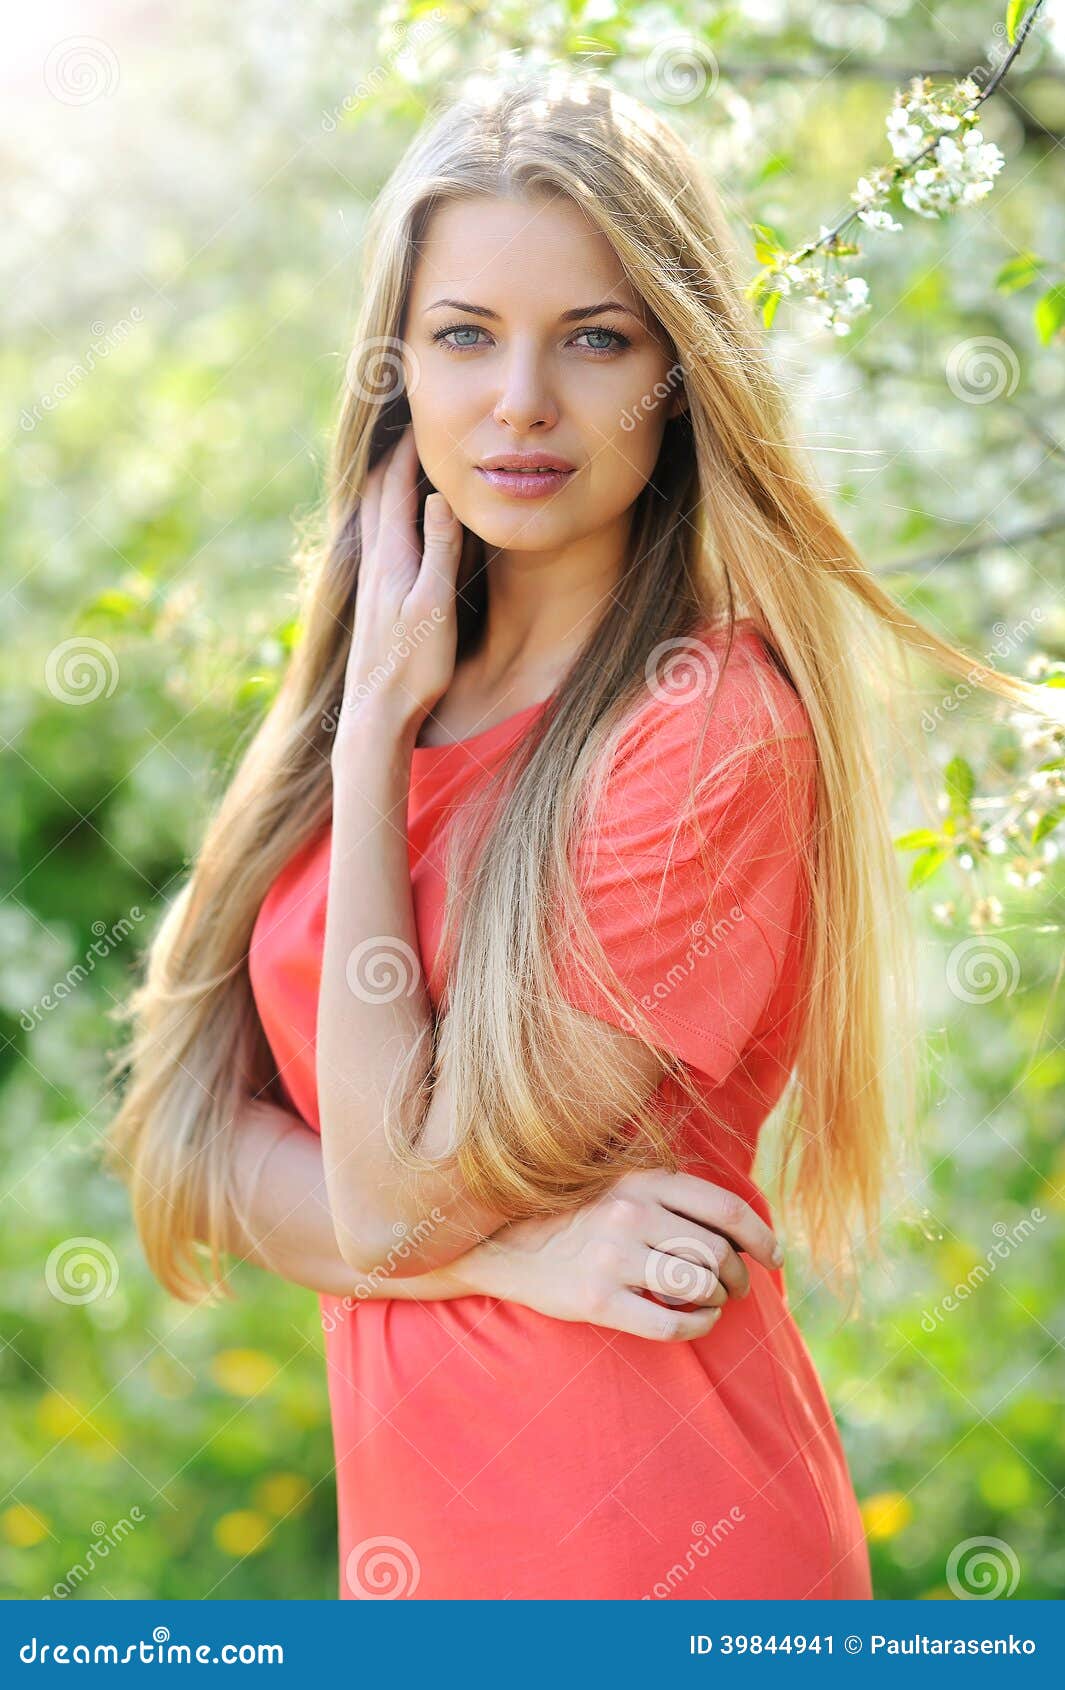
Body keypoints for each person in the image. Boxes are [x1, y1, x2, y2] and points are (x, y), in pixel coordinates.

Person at [105, 69, 1055, 1601]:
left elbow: (387, 1200)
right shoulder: (377, 696)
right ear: (395, 367)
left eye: (594, 339)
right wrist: (507, 1248)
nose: (520, 402)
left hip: (652, 1557)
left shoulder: (706, 728)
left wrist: (426, 1226)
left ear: (677, 372)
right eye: (465, 336)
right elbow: (185, 1137)